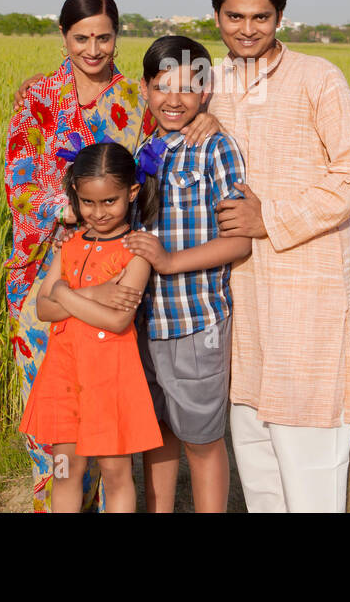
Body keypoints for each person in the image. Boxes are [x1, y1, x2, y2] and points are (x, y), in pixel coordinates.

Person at [3, 0, 219, 511]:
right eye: (81, 38)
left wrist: (205, 121)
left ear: (117, 35)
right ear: (63, 36)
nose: (93, 49)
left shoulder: (135, 99)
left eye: (104, 37)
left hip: (122, 274)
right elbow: (19, 183)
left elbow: (165, 144)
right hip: (43, 275)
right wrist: (81, 210)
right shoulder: (37, 96)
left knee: (107, 425)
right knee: (56, 425)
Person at [208, 0, 350, 512]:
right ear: (217, 16)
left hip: (306, 291)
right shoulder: (209, 83)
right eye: (235, 17)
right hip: (236, 295)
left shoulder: (318, 77)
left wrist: (271, 217)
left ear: (280, 16)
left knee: (309, 464)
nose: (247, 29)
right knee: (256, 463)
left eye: (260, 17)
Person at [122, 36, 250, 512]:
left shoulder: (214, 148)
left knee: (202, 440)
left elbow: (238, 239)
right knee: (156, 436)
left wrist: (170, 261)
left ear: (206, 90)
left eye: (187, 87)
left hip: (196, 323)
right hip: (143, 323)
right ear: (145, 88)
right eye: (161, 87)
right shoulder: (143, 146)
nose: (173, 99)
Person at [18, 141, 164, 512]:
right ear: (76, 197)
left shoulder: (136, 251)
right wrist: (95, 292)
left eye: (109, 202)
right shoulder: (68, 246)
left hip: (110, 380)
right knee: (66, 471)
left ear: (132, 193)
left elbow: (117, 320)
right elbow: (42, 308)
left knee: (116, 474)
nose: (98, 213)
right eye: (88, 203)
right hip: (66, 375)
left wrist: (65, 293)